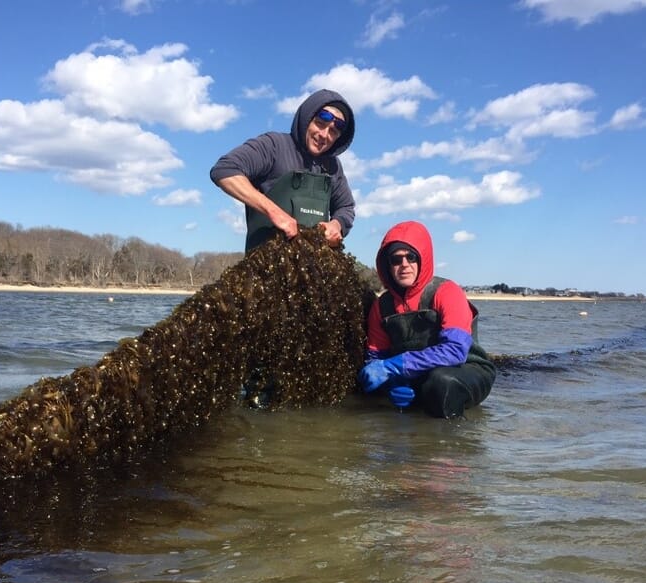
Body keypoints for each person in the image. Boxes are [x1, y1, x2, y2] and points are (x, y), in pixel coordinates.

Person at [358, 221, 496, 418]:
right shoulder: (380, 306)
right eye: (396, 259)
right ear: (387, 265)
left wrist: (396, 365)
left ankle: (449, 436)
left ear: (422, 258)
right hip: (417, 375)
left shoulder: (447, 292)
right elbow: (376, 359)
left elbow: (455, 350)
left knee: (442, 383)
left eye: (411, 257)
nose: (404, 264)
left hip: (466, 370)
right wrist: (393, 385)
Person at [210, 89, 355, 253]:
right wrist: (273, 212)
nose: (324, 135)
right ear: (307, 119)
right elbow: (225, 170)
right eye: (320, 123)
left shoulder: (333, 167)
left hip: (313, 265)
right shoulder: (273, 146)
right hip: (266, 261)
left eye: (333, 131)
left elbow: (346, 207)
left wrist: (336, 225)